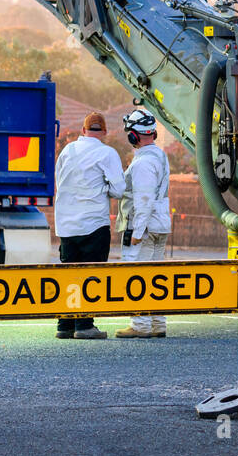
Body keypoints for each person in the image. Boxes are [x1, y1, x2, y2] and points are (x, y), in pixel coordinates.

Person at [53, 112, 125, 338]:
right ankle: (85, 325)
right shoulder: (107, 153)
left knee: (69, 275)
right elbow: (119, 190)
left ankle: (64, 325)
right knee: (90, 274)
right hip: (94, 223)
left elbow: (59, 180)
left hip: (66, 223)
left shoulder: (67, 151)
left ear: (83, 131)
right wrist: (103, 187)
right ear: (104, 132)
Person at [115, 108, 172, 338]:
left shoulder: (142, 164)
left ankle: (140, 326)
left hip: (144, 228)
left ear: (133, 136)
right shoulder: (160, 157)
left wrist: (137, 232)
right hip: (160, 225)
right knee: (156, 277)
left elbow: (144, 200)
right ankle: (158, 324)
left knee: (137, 275)